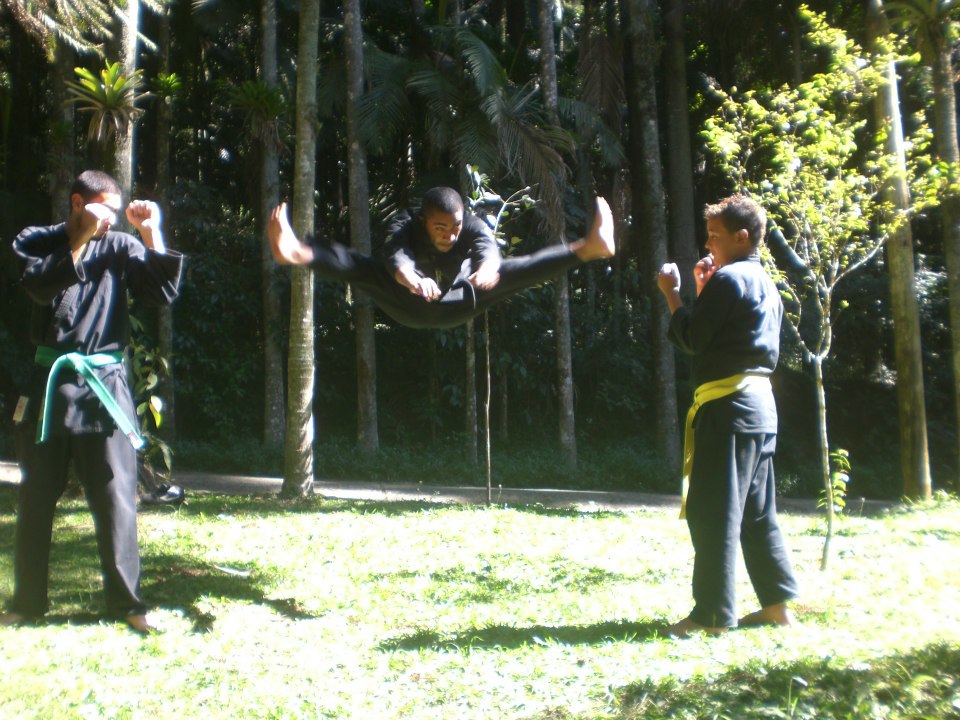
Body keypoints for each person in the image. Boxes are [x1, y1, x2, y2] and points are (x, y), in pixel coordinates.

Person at [1, 170, 184, 634]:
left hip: (104, 387)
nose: (109, 221)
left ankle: (128, 604)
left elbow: (161, 291)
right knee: (36, 498)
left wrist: (151, 233)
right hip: (49, 384)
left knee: (117, 497)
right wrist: (77, 242)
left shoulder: (120, 247)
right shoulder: (36, 241)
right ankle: (26, 602)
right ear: (79, 203)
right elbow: (39, 287)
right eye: (103, 210)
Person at [656, 194, 798, 638]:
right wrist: (703, 290)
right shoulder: (764, 282)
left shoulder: (729, 279)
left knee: (712, 511)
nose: (708, 243)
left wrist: (673, 296)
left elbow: (695, 339)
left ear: (741, 237)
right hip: (760, 408)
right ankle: (777, 606)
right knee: (757, 512)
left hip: (730, 409)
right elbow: (728, 336)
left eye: (715, 236)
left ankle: (712, 615)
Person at [267, 186, 615, 329]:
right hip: (405, 304)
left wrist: (489, 270)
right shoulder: (405, 222)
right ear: (423, 220)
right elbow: (395, 256)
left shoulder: (471, 226)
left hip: (457, 303)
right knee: (363, 267)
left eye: (455, 227)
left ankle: (589, 247)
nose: (450, 235)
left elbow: (487, 248)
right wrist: (414, 280)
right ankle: (296, 251)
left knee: (512, 270)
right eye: (440, 227)